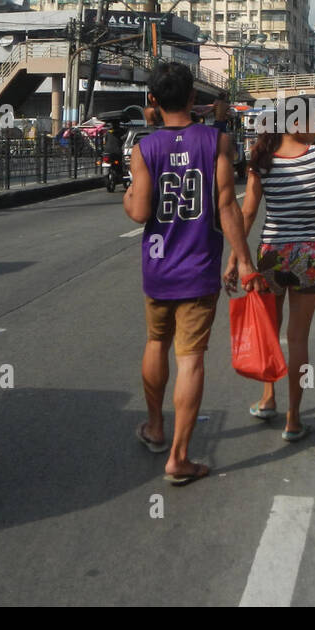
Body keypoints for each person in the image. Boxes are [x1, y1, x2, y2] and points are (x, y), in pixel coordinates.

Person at [123, 62, 264, 485]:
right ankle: (179, 459)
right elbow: (226, 206)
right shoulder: (217, 142)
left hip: (159, 268)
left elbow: (140, 212)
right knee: (191, 360)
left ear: (153, 102)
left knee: (155, 342)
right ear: (192, 98)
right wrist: (242, 259)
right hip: (200, 268)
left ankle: (155, 428)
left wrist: (128, 196)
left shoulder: (143, 149)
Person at [229, 98, 315, 441]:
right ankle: (293, 420)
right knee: (298, 338)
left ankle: (267, 399)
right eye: (313, 122)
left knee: (269, 332)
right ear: (297, 124)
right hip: (307, 254)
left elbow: (247, 214)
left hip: (271, 253)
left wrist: (235, 258)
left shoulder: (262, 160)